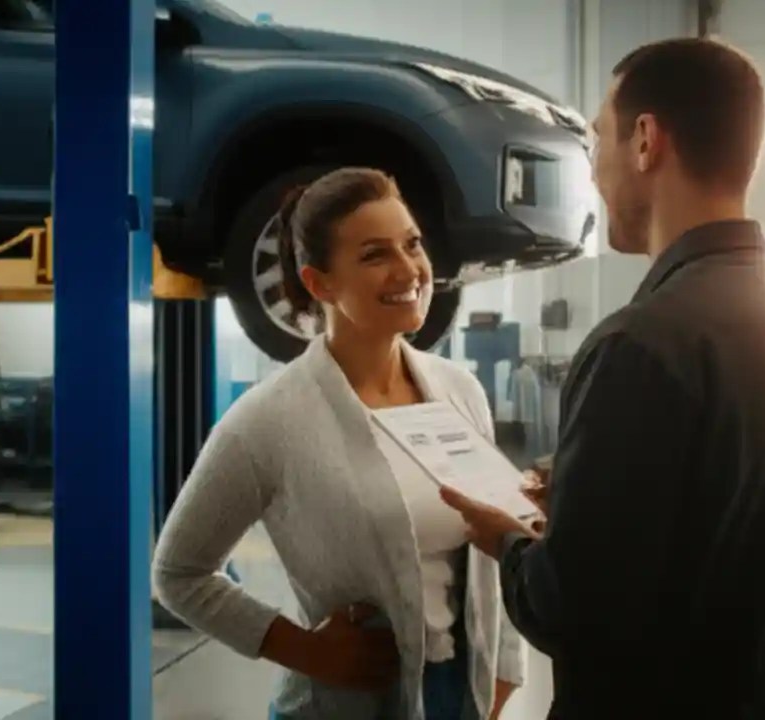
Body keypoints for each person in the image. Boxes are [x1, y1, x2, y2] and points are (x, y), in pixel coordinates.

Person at [440, 38, 765, 718]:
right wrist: (584, 482)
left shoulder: (637, 347)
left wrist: (505, 537)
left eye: (595, 141)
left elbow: (568, 609)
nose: (594, 174)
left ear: (645, 141)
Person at [152, 167, 526, 720]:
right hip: (344, 704)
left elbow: (489, 560)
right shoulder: (269, 420)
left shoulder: (459, 391)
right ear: (319, 283)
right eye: (375, 255)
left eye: (412, 244)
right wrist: (305, 651)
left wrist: (503, 672)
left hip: (461, 696)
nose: (409, 270)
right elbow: (177, 573)